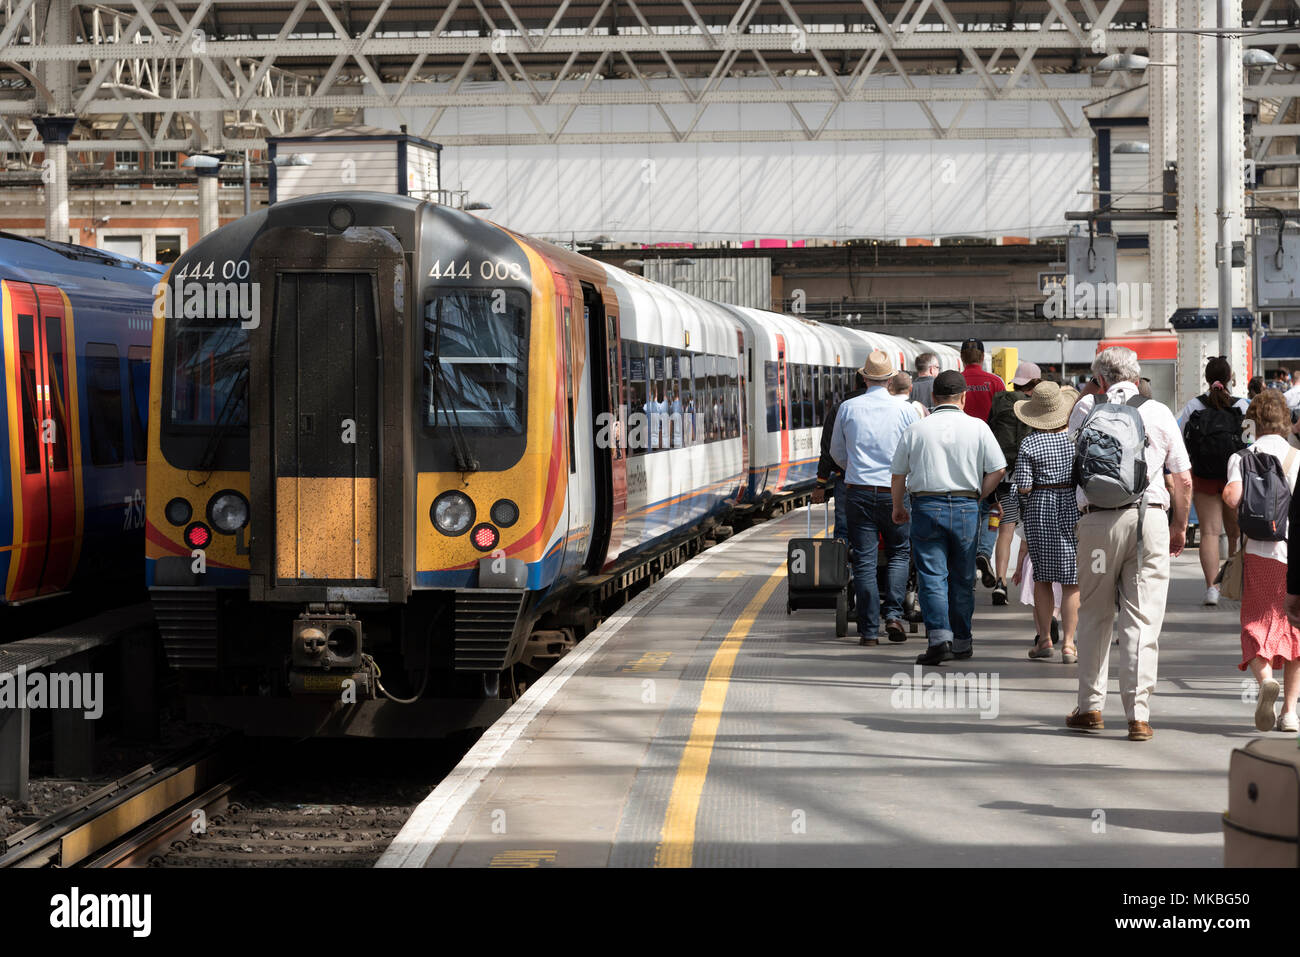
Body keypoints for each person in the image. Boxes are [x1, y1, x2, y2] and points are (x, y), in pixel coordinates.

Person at [1065, 346, 1192, 742]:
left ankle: (1090, 709)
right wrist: (1179, 527)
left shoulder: (1086, 407)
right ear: (1136, 378)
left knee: (1095, 614)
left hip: (1098, 526)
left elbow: (1075, 463)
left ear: (1100, 378)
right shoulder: (1156, 412)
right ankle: (1138, 716)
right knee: (1141, 617)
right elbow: (1183, 478)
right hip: (1147, 520)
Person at [890, 370, 1006, 665]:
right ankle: (963, 642)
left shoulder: (916, 429)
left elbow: (898, 475)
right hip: (966, 508)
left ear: (932, 397)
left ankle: (939, 640)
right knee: (963, 578)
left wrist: (897, 508)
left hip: (927, 507)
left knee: (932, 577)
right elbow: (998, 469)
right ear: (964, 398)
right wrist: (979, 495)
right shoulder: (978, 427)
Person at [1224, 390, 1300, 732]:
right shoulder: (1296, 457)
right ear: (1285, 421)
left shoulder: (1242, 456)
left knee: (1255, 623)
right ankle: (1289, 713)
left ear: (1253, 422)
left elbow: (1232, 497)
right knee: (1295, 629)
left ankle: (1266, 678)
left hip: (1258, 553)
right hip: (1292, 554)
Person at [831, 349, 919, 645]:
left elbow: (837, 454)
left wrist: (855, 470)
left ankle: (868, 631)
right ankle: (893, 615)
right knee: (898, 553)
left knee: (864, 560)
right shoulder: (906, 411)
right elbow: (913, 453)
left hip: (857, 493)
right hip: (895, 491)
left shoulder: (848, 408)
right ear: (891, 378)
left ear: (864, 377)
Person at [1011, 382, 1081, 663]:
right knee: (1071, 579)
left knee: (1043, 576)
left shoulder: (1029, 443)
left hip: (1041, 507)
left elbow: (1025, 485)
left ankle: (1044, 639)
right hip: (1072, 506)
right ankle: (1070, 644)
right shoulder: (1075, 439)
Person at [1176, 356, 1250, 606]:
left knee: (1208, 532)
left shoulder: (1193, 406)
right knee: (1235, 533)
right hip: (1235, 477)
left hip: (1204, 477)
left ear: (1206, 379)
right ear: (1230, 378)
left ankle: (1212, 588)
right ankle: (1234, 584)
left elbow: (1182, 442)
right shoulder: (1242, 406)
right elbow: (1251, 443)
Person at [986, 361, 1040, 604]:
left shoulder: (1000, 401)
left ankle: (1001, 581)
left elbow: (989, 433)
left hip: (1005, 475)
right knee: (1031, 531)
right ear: (1035, 383)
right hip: (1031, 478)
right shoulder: (1037, 405)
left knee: (1005, 531)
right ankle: (1032, 581)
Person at [957, 338, 1007, 586]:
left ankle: (966, 562)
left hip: (960, 457)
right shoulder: (995, 382)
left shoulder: (956, 381)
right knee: (992, 507)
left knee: (966, 508)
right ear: (982, 357)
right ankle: (983, 552)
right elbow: (1004, 420)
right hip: (989, 456)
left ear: (962, 358)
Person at [814, 369, 866, 542]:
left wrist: (821, 483)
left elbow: (828, 449)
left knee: (843, 529)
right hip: (883, 482)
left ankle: (843, 565)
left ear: (856, 384)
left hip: (846, 479)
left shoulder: (840, 408)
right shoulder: (894, 407)